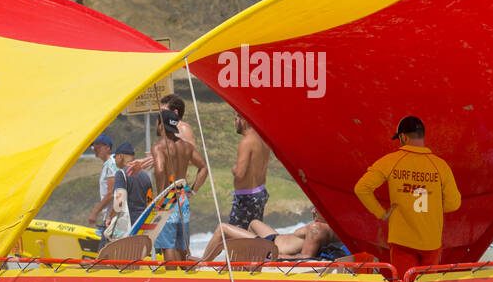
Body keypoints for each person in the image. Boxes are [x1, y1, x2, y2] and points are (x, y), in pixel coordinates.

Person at [354, 115, 461, 282]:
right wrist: (434, 208)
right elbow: (454, 203)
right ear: (422, 136)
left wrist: (381, 213)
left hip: (402, 241)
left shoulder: (390, 161)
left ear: (403, 137)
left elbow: (361, 188)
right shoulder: (440, 165)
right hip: (431, 241)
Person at [152, 108, 208, 261]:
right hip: (183, 197)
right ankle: (185, 279)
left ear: (161, 125)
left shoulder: (159, 147)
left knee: (168, 246)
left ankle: (171, 281)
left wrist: (160, 195)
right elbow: (204, 167)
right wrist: (193, 191)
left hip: (167, 198)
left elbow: (160, 170)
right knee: (182, 245)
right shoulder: (186, 147)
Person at [200, 209, 344, 261]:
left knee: (222, 229)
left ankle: (203, 263)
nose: (313, 211)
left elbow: (306, 257)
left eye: (317, 209)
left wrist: (277, 257)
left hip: (271, 247)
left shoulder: (316, 228)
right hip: (276, 238)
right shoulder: (332, 228)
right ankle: (245, 264)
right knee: (254, 223)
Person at [228, 112, 271, 228]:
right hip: (259, 192)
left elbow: (240, 174)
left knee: (235, 237)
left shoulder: (246, 142)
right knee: (253, 235)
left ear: (244, 121)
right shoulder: (263, 140)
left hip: (247, 197)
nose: (234, 123)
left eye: (236, 119)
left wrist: (234, 169)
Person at [105, 142, 152, 240]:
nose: (115, 160)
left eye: (115, 157)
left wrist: (109, 217)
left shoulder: (121, 174)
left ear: (120, 156)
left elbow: (119, 203)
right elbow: (150, 202)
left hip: (127, 226)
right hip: (142, 226)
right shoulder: (146, 176)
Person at [86, 133, 117, 228]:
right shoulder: (108, 164)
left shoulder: (111, 163)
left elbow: (111, 193)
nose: (95, 149)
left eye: (98, 146)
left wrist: (95, 213)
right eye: (93, 147)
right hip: (111, 217)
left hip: (113, 218)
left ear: (108, 148)